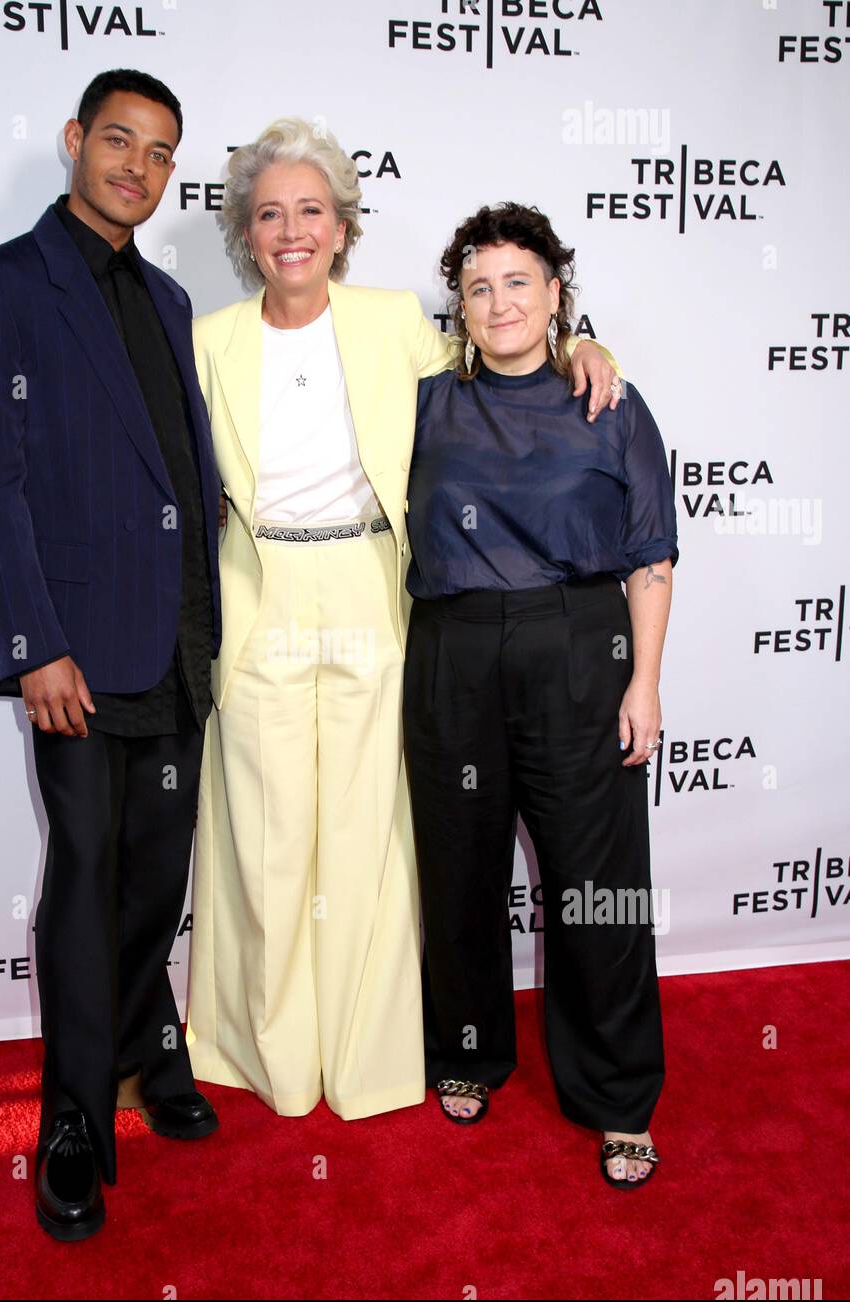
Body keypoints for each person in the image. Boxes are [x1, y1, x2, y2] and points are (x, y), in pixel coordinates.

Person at [185, 121, 620, 1123]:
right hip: (262, 597)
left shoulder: (391, 323)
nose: (291, 230)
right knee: (269, 839)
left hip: (376, 593)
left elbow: (502, 354)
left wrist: (587, 339)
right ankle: (275, 1054)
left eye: (312, 211)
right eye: (269, 214)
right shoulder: (207, 339)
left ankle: (372, 1054)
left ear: (343, 227)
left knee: (373, 841)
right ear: (246, 235)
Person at [0, 69, 222, 1241]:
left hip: (179, 639)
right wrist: (34, 641)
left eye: (159, 154)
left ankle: (152, 1045)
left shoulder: (165, 298)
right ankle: (70, 1124)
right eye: (119, 141)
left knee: (159, 873)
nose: (137, 169)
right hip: (77, 655)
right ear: (73, 140)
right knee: (87, 874)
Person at [402, 202, 676, 1188]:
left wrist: (643, 680)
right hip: (453, 651)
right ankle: (469, 1050)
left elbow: (650, 553)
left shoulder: (610, 403)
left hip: (579, 648)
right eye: (478, 287)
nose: (499, 301)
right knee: (462, 872)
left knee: (596, 889)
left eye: (520, 282)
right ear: (460, 308)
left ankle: (617, 1095)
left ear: (558, 294)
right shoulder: (426, 402)